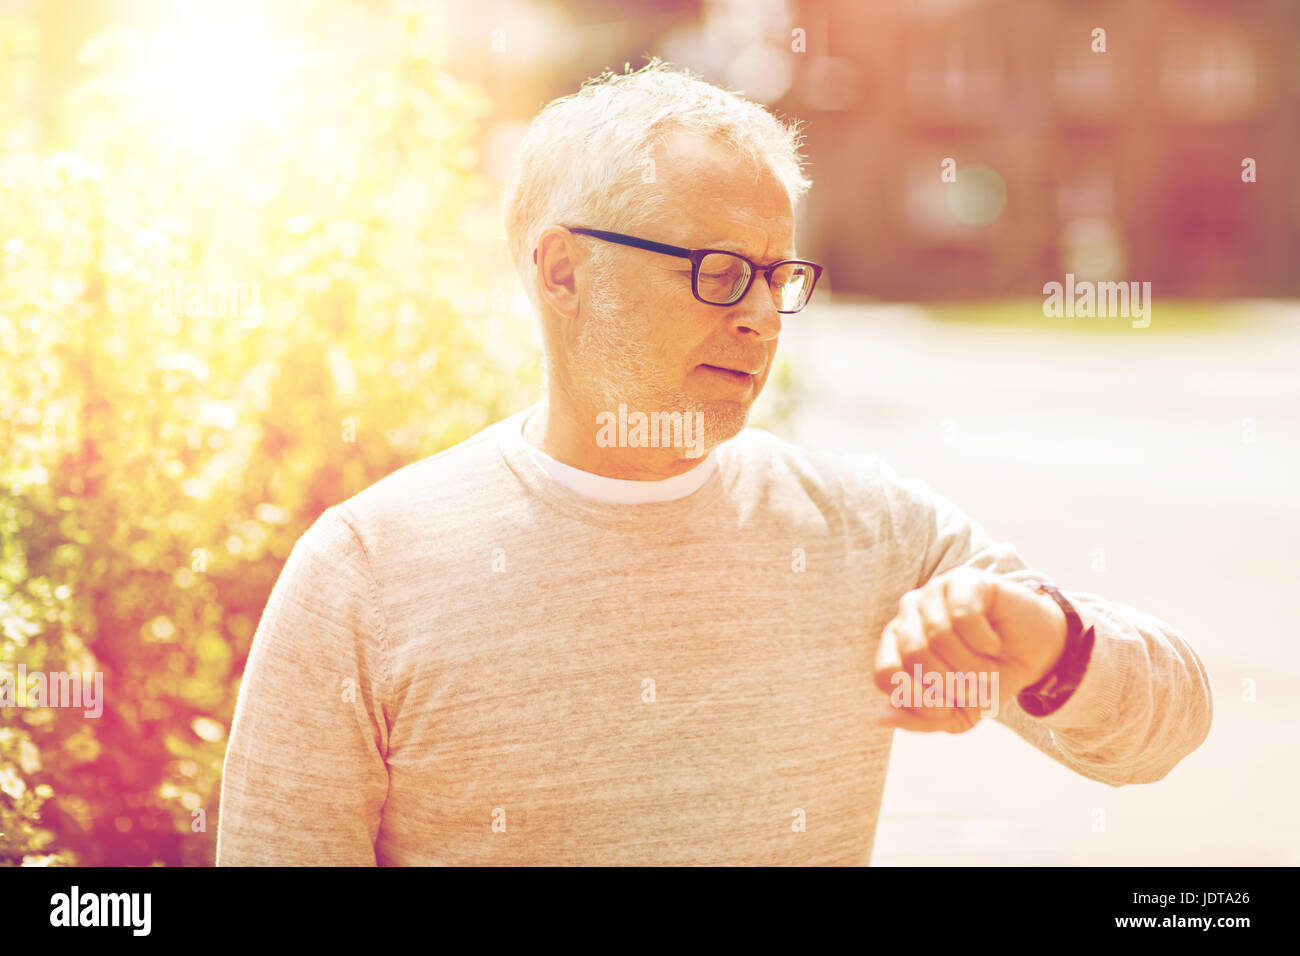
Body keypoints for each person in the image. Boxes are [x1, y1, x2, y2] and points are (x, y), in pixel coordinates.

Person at [216, 59, 1212, 866]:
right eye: (717, 270)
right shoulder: (362, 573)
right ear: (563, 272)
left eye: (778, 275)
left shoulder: (869, 532)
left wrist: (1049, 643)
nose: (758, 315)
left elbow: (1167, 728)